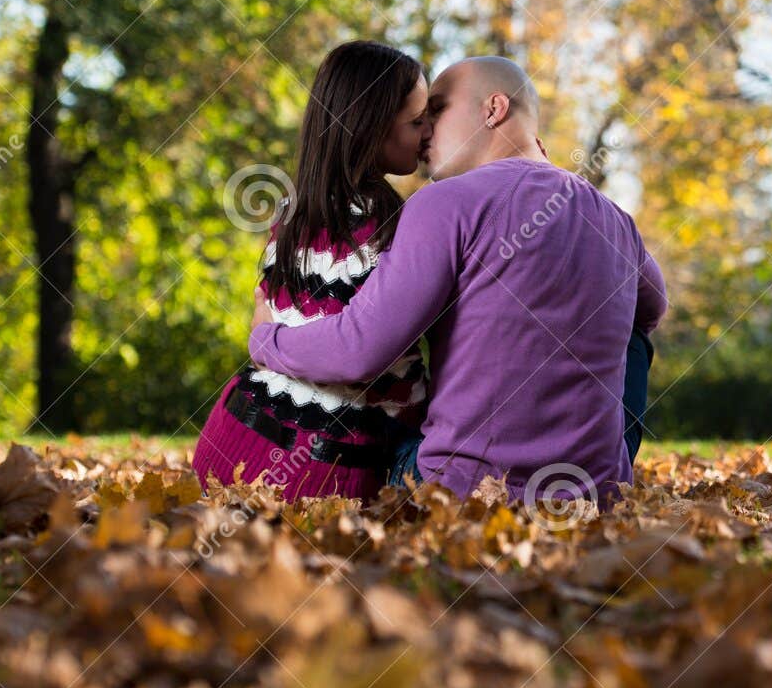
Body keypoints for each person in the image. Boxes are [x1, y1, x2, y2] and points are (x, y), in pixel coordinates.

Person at [248, 56, 666, 506]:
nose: (424, 130)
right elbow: (653, 306)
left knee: (363, 399)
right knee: (634, 340)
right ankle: (600, 469)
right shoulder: (615, 220)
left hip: (458, 493)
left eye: (438, 110)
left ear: (494, 109)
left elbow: (359, 351)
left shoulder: (443, 204)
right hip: (592, 497)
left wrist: (265, 340)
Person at [192, 40, 429, 501]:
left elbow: (272, 315)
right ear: (373, 127)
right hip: (320, 464)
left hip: (230, 436)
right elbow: (384, 367)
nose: (428, 132)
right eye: (416, 121)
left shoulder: (289, 212)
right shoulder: (387, 221)